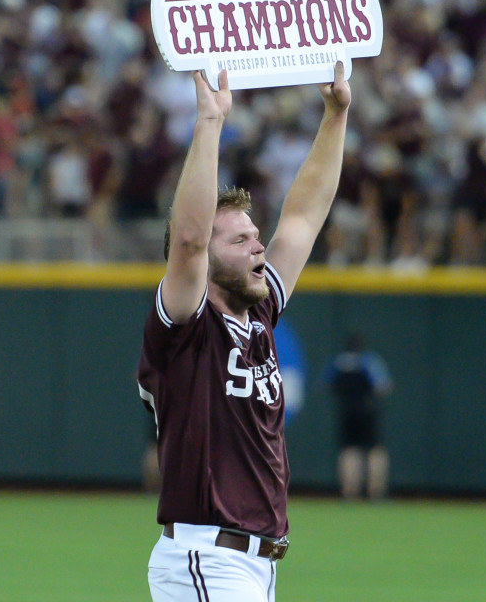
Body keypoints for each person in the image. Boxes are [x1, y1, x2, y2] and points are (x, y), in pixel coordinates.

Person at [137, 63, 351, 602]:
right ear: (205, 261)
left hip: (256, 564)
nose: (259, 245)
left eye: (256, 234)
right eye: (239, 240)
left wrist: (336, 115)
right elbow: (187, 239)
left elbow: (303, 215)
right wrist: (210, 122)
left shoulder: (258, 316)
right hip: (207, 557)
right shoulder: (185, 328)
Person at [325, 333, 393, 500]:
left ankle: (349, 492)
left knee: (349, 450)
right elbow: (383, 386)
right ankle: (376, 492)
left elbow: (326, 384)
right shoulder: (369, 361)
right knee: (375, 450)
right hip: (367, 410)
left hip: (346, 411)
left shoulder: (338, 362)